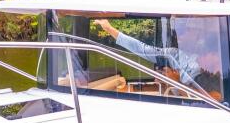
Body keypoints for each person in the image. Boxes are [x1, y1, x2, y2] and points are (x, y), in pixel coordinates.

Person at [93, 17, 223, 99]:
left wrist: (176, 83)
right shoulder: (176, 56)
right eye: (182, 31)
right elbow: (143, 50)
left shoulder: (221, 76)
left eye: (186, 31)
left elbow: (213, 100)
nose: (180, 36)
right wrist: (110, 29)